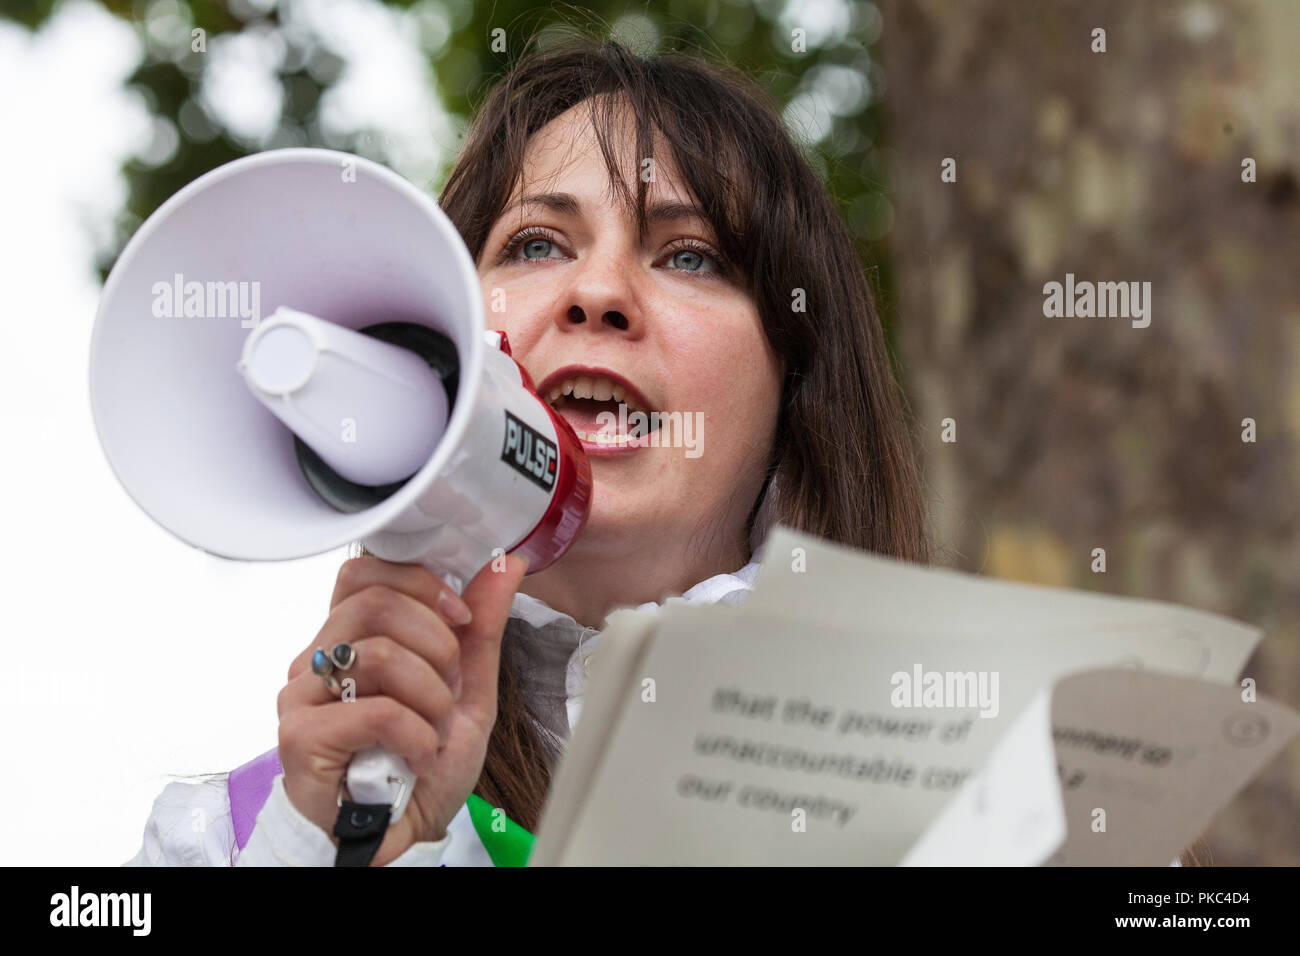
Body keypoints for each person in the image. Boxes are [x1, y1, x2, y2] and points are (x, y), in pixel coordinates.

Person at [125, 29, 928, 867]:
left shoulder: (970, 795)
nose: (598, 292)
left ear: (797, 382)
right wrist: (318, 850)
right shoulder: (227, 838)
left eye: (690, 256)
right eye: (536, 244)